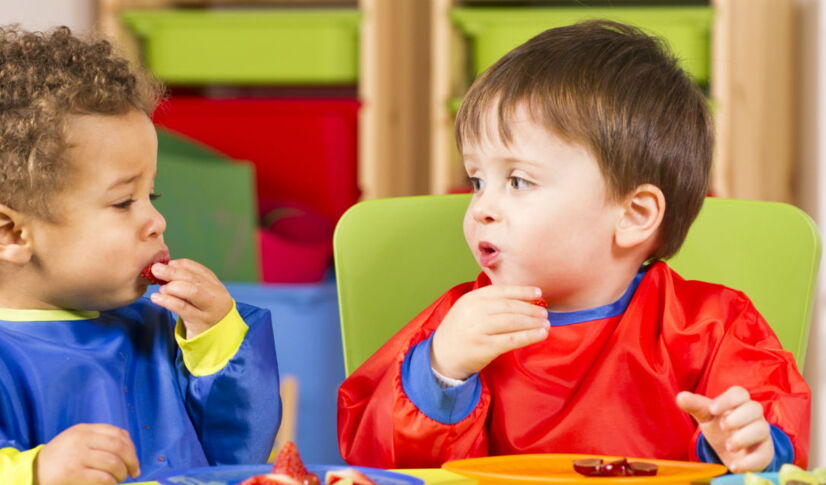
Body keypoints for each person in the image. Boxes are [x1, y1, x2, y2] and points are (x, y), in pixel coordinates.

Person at [337, 20, 810, 474]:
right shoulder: (459, 322)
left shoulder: (712, 327)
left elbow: (772, 438)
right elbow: (375, 457)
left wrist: (748, 448)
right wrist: (443, 373)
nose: (481, 207)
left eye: (518, 181)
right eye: (478, 180)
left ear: (634, 215)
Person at [0, 25, 280, 485]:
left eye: (150, 194)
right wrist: (33, 472)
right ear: (11, 233)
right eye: (123, 202)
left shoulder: (164, 335)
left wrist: (217, 340)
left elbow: (237, 455)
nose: (156, 221)